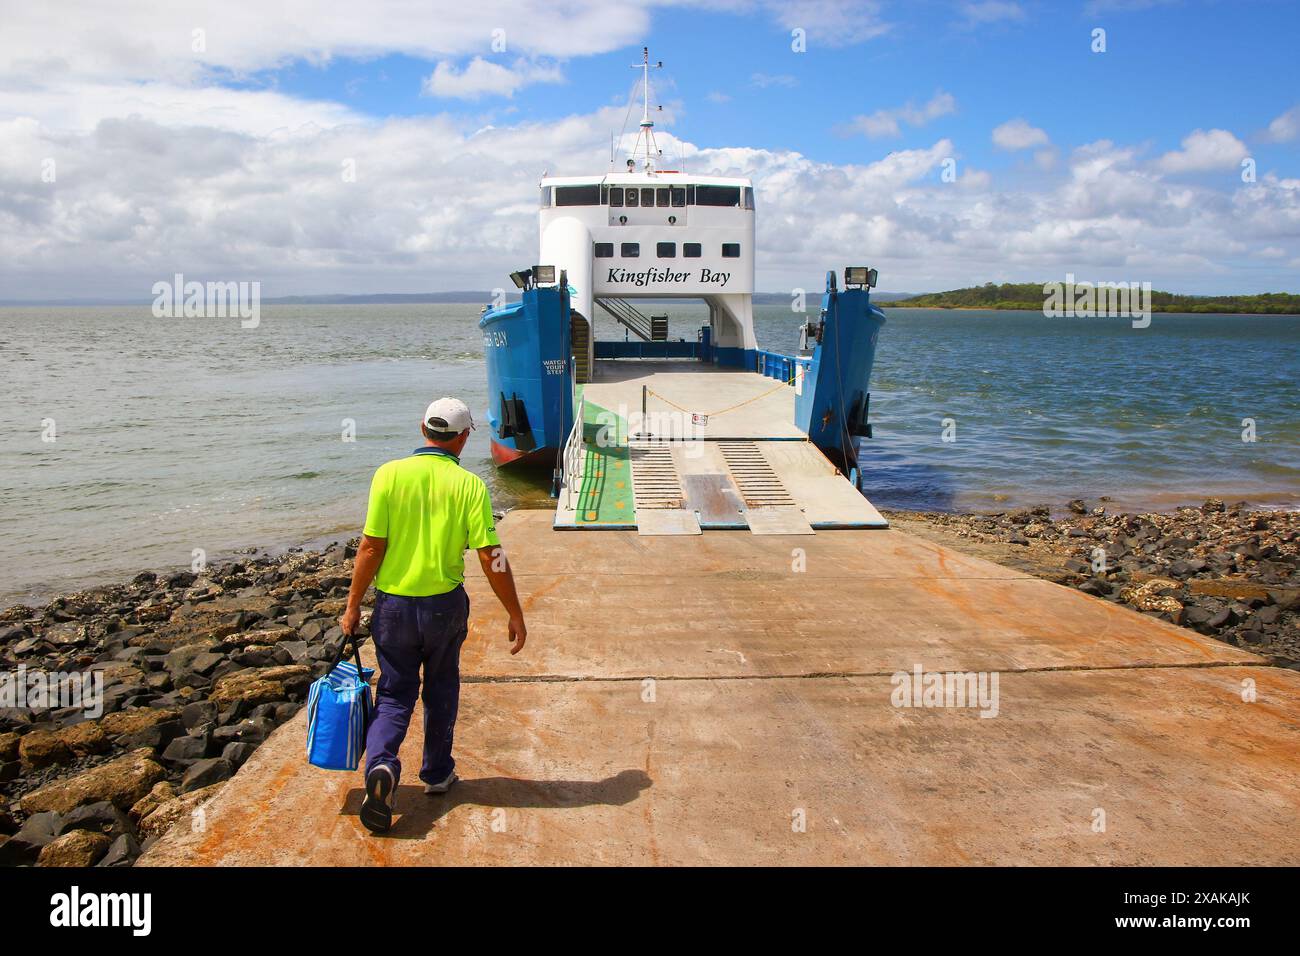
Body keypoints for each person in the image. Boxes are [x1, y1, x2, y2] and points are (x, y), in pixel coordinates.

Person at [339, 397, 527, 835]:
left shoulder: (388, 474)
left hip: (394, 608)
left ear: (422, 427)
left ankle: (381, 767)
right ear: (462, 438)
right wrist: (514, 612)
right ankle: (437, 774)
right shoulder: (470, 486)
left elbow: (370, 546)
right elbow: (489, 554)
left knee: (393, 693)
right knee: (441, 688)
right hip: (444, 607)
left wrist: (352, 605)